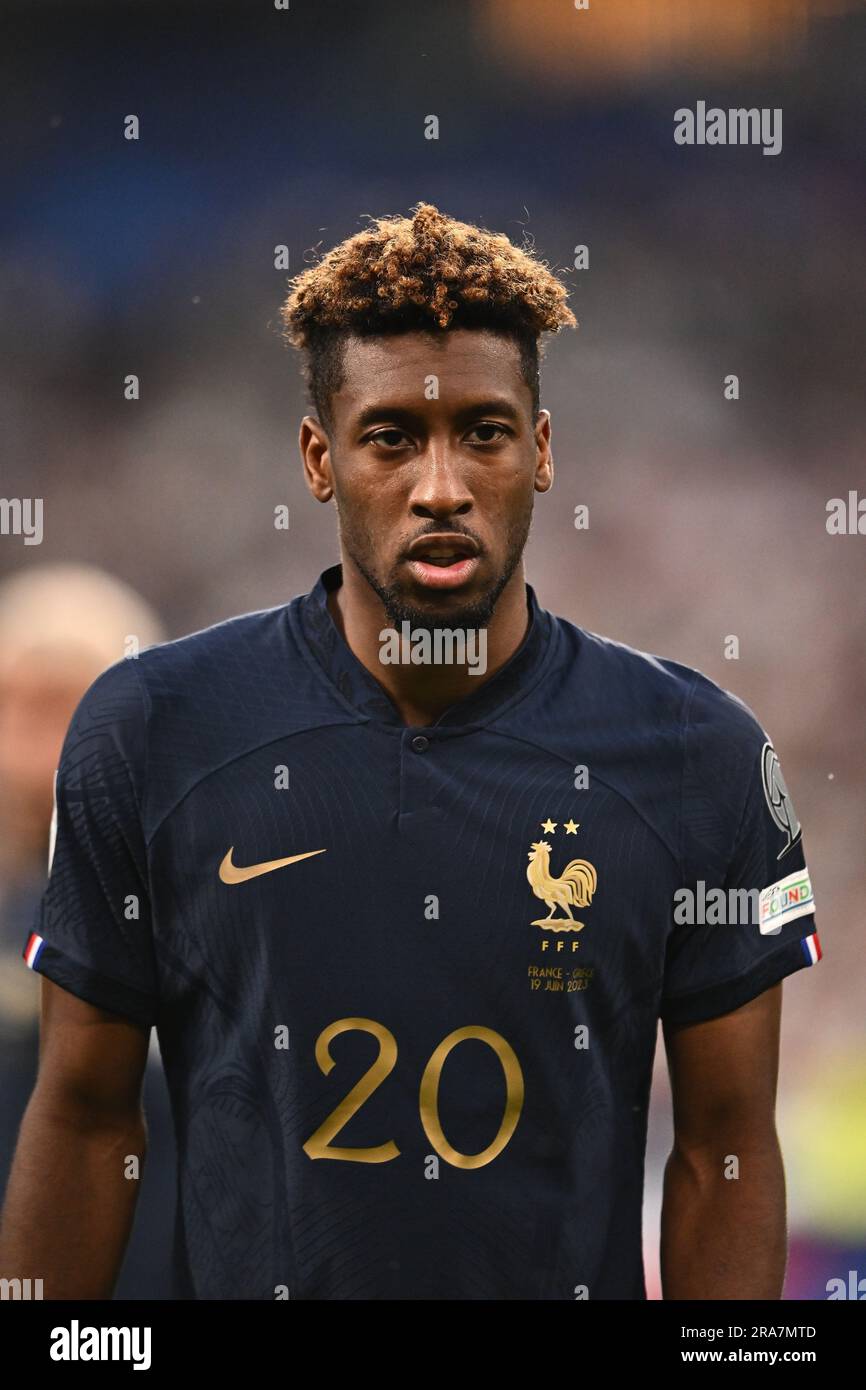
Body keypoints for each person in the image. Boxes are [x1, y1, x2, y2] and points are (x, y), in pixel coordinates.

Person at [0, 204, 822, 1300]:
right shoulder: (152, 730)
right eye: (391, 436)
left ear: (537, 451)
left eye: (482, 431)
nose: (441, 486)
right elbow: (87, 1118)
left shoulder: (697, 757)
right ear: (319, 457)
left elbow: (724, 1151)